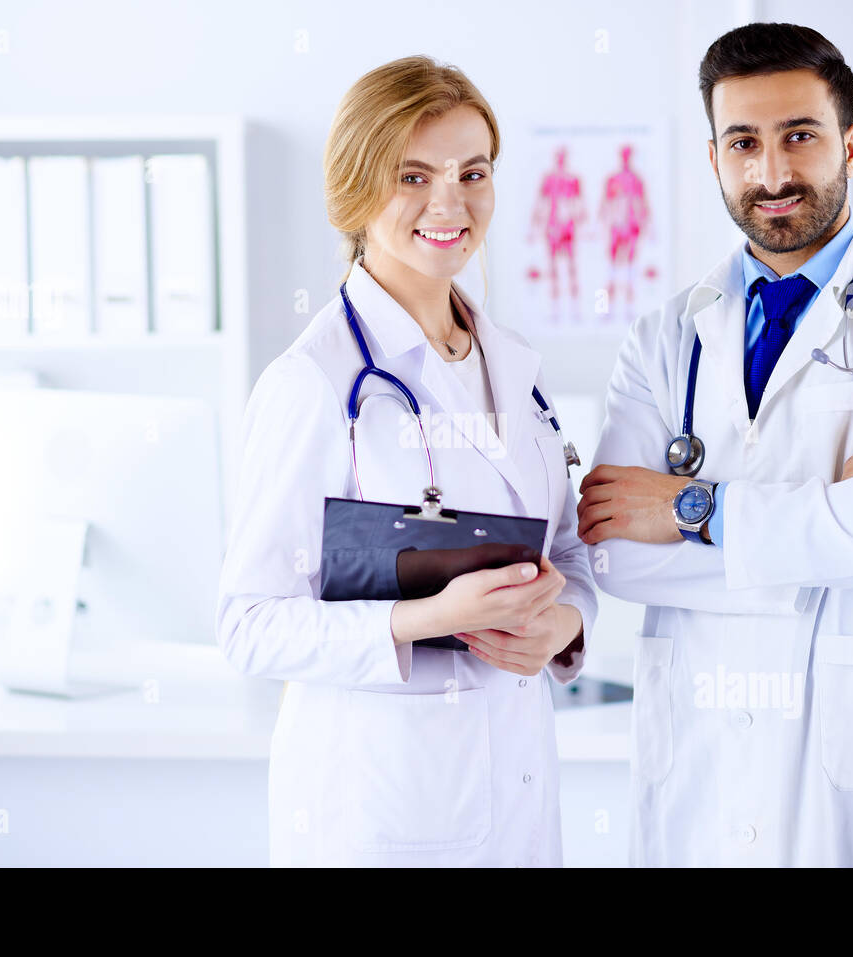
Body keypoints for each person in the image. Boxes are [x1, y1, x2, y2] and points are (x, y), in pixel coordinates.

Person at [577, 22, 853, 866]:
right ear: (713, 158)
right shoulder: (665, 338)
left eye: (799, 136)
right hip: (700, 762)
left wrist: (695, 507)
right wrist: (836, 505)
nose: (771, 174)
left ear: (851, 141)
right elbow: (614, 551)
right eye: (744, 142)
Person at [216, 55, 596, 867]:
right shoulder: (312, 383)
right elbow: (248, 624)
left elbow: (565, 556)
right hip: (380, 817)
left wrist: (560, 627)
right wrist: (427, 619)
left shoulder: (513, 366)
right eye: (413, 175)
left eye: (473, 171)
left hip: (518, 807)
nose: (449, 202)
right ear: (355, 189)